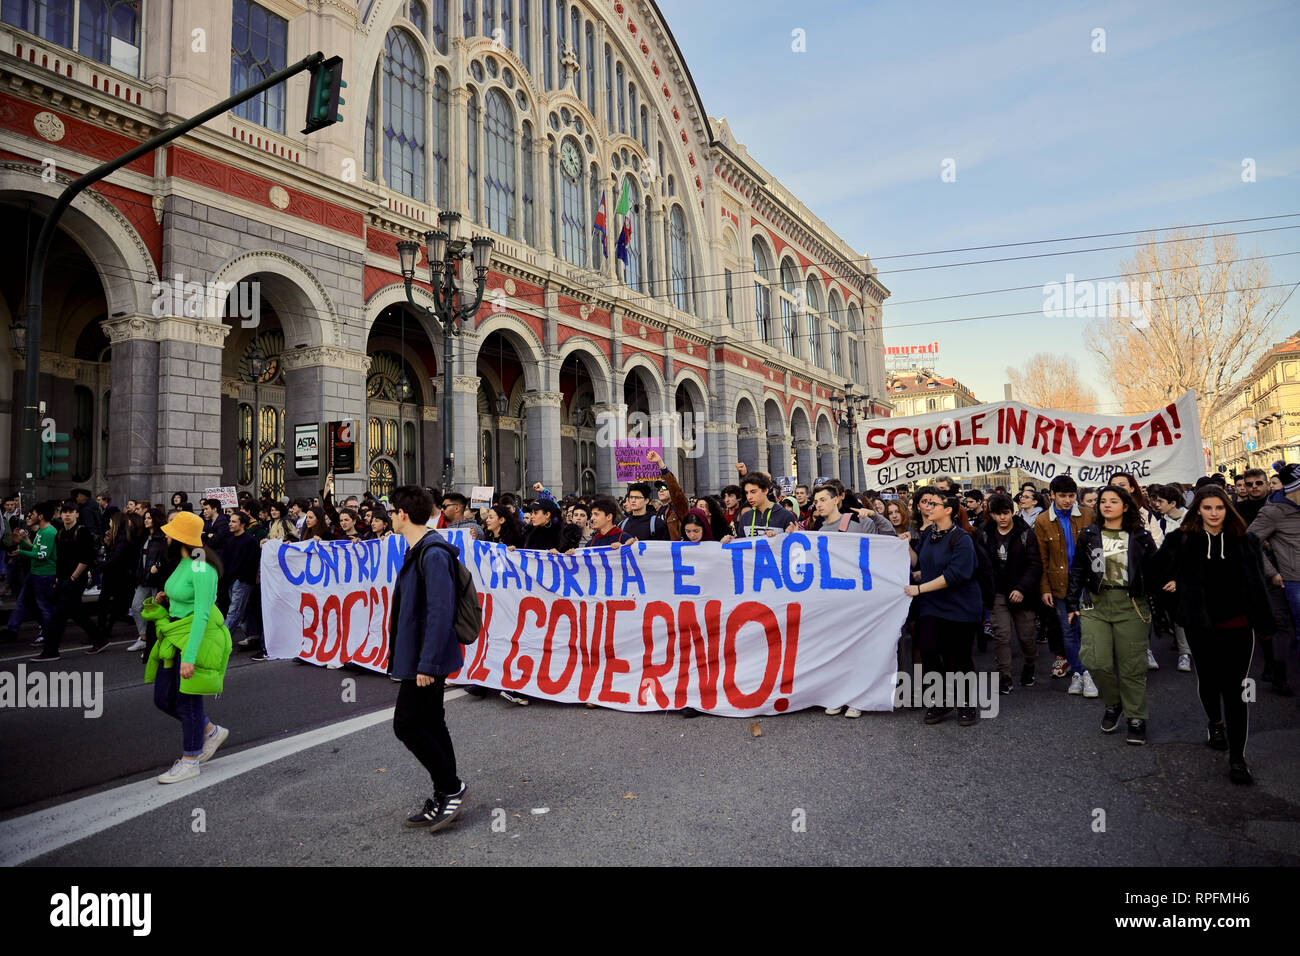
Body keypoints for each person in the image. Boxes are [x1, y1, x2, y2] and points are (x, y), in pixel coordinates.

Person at [1157, 486, 1274, 784]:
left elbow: (1258, 583)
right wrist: (1176, 589)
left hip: (1237, 626)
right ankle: (1215, 722)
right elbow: (1157, 572)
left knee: (1235, 690)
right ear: (1198, 510)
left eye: (1218, 508)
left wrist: (1264, 622)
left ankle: (1238, 758)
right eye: (1207, 508)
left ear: (1227, 510)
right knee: (1209, 681)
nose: (1213, 513)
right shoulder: (1182, 541)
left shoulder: (1246, 541)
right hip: (1200, 626)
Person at [387, 485, 467, 831]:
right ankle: (446, 790)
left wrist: (427, 664)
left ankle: (451, 787)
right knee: (432, 721)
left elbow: (439, 611)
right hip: (420, 655)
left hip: (425, 659)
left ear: (403, 514)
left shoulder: (432, 553)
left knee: (406, 724)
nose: (390, 517)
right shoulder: (420, 549)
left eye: (392, 511)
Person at [142, 510, 232, 783]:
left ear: (179, 537)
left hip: (195, 638)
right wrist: (166, 599)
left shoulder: (201, 567)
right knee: (164, 699)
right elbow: (183, 595)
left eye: (169, 532)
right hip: (174, 634)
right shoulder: (186, 561)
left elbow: (202, 614)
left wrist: (189, 657)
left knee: (187, 702)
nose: (165, 536)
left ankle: (191, 759)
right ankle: (210, 731)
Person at [1067, 487, 1158, 745]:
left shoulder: (1140, 536)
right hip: (1096, 604)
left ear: (1126, 506)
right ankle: (1113, 703)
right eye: (1103, 501)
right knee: (1095, 660)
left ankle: (1136, 717)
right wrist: (1072, 602)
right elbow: (1078, 570)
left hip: (1131, 604)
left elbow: (1154, 570)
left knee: (1132, 667)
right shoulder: (1089, 534)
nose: (1106, 505)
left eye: (1113, 501)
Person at [904, 493, 983, 726]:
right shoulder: (929, 534)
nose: (927, 507)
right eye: (927, 504)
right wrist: (907, 546)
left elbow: (954, 575)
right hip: (933, 605)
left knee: (959, 656)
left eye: (933, 504)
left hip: (959, 606)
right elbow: (920, 563)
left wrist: (919, 590)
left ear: (948, 510)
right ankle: (942, 701)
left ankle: (967, 705)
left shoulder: (961, 539)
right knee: (928, 651)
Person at [1035, 475, 1096, 692]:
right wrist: (1044, 588)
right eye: (1062, 496)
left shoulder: (1088, 514)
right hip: (1059, 584)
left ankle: (1088, 672)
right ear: (1052, 495)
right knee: (1068, 630)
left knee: (1087, 629)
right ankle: (1078, 673)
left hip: (1086, 583)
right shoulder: (1042, 520)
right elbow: (1041, 558)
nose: (1067, 500)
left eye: (1071, 496)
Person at [1246, 461, 1300, 696]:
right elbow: (1250, 542)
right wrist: (1272, 572)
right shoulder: (1273, 511)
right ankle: (1279, 676)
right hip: (1290, 580)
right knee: (1284, 629)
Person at [980, 493, 1042, 692]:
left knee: (1026, 637)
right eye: (998, 514)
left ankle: (1030, 664)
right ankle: (1004, 675)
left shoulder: (1025, 533)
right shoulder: (985, 533)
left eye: (1006, 513)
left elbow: (1034, 565)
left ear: (1012, 512)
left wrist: (1022, 588)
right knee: (1002, 636)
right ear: (992, 515)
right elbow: (982, 565)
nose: (1002, 518)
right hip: (997, 592)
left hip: (1022, 593)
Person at [43, 501, 108, 659]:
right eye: (64, 512)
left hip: (75, 579)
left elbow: (85, 559)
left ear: (77, 514)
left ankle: (51, 651)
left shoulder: (82, 531)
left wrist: (72, 578)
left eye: (70, 512)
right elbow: (59, 558)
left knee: (58, 615)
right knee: (77, 613)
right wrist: (58, 578)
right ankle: (100, 639)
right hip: (64, 578)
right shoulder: (60, 532)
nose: (67, 514)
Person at [0, 501, 59, 648]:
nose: (29, 516)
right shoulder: (41, 531)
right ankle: (12, 630)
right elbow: (35, 549)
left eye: (32, 514)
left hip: (44, 574)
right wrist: (23, 543)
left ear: (40, 516)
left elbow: (43, 555)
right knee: (24, 601)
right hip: (34, 573)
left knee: (44, 606)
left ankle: (48, 634)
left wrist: (21, 551)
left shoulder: (49, 532)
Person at [1149, 485, 1193, 672]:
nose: (1156, 505)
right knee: (1173, 613)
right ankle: (1182, 649)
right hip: (1168, 576)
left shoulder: (1192, 520)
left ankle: (1190, 652)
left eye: (1160, 501)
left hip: (1189, 575)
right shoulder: (1160, 522)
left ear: (1173, 503)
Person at [128, 507, 171, 653]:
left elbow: (166, 558)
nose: (146, 520)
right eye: (145, 518)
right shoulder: (145, 536)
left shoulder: (162, 538)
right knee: (136, 607)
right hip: (144, 579)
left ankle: (158, 640)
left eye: (149, 518)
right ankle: (143, 637)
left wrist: (158, 567)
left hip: (157, 580)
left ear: (156, 520)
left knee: (156, 611)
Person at [220, 511, 259, 639]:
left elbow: (252, 563)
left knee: (234, 612)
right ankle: (252, 635)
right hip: (231, 580)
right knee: (243, 609)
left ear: (242, 524)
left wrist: (244, 578)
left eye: (233, 521)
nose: (230, 524)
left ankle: (221, 640)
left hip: (242, 581)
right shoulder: (229, 540)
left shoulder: (250, 541)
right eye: (230, 521)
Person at [728, 472, 799, 540]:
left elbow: (794, 547)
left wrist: (779, 538)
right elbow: (741, 545)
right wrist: (731, 540)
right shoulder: (745, 517)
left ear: (765, 491)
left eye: (753, 492)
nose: (749, 497)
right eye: (747, 493)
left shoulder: (786, 516)